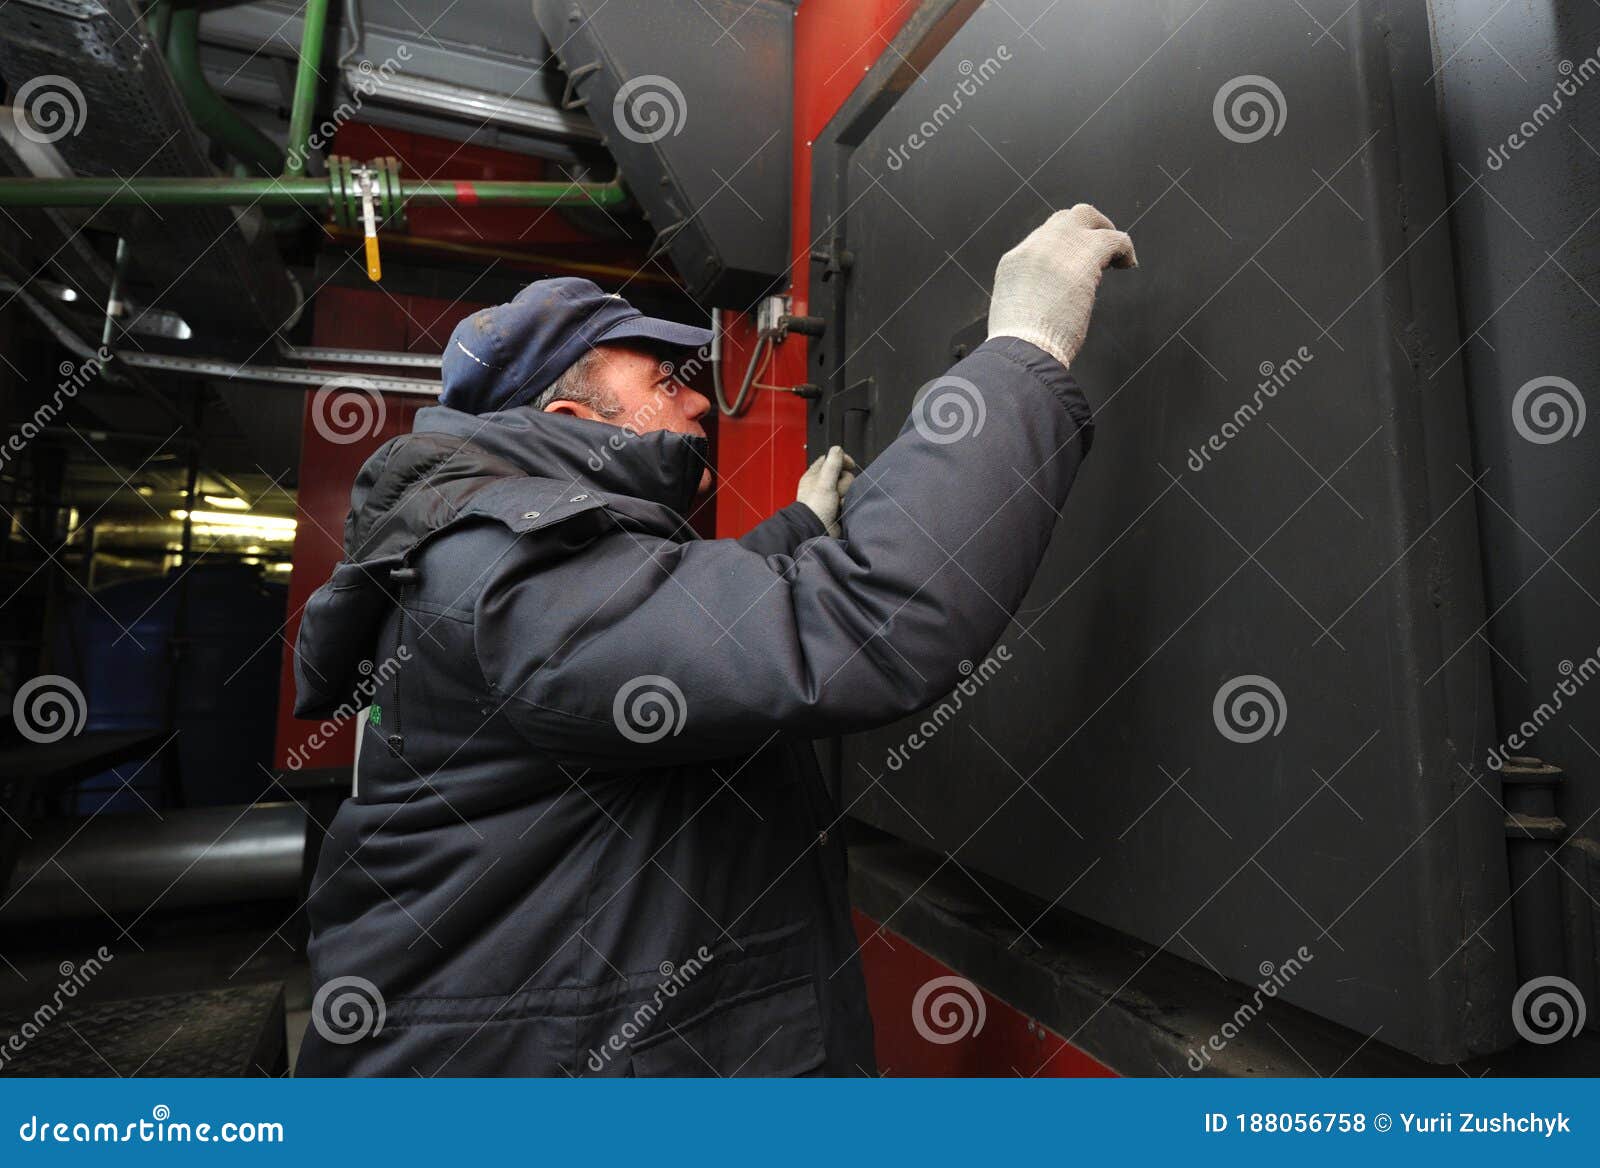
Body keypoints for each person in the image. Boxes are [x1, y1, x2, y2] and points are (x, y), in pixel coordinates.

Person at [292, 204, 1136, 1075]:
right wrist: (1021, 357)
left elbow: (664, 618)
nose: (698, 395)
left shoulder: (481, 554)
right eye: (663, 382)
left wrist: (799, 531)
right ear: (575, 419)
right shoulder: (503, 570)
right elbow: (868, 621)